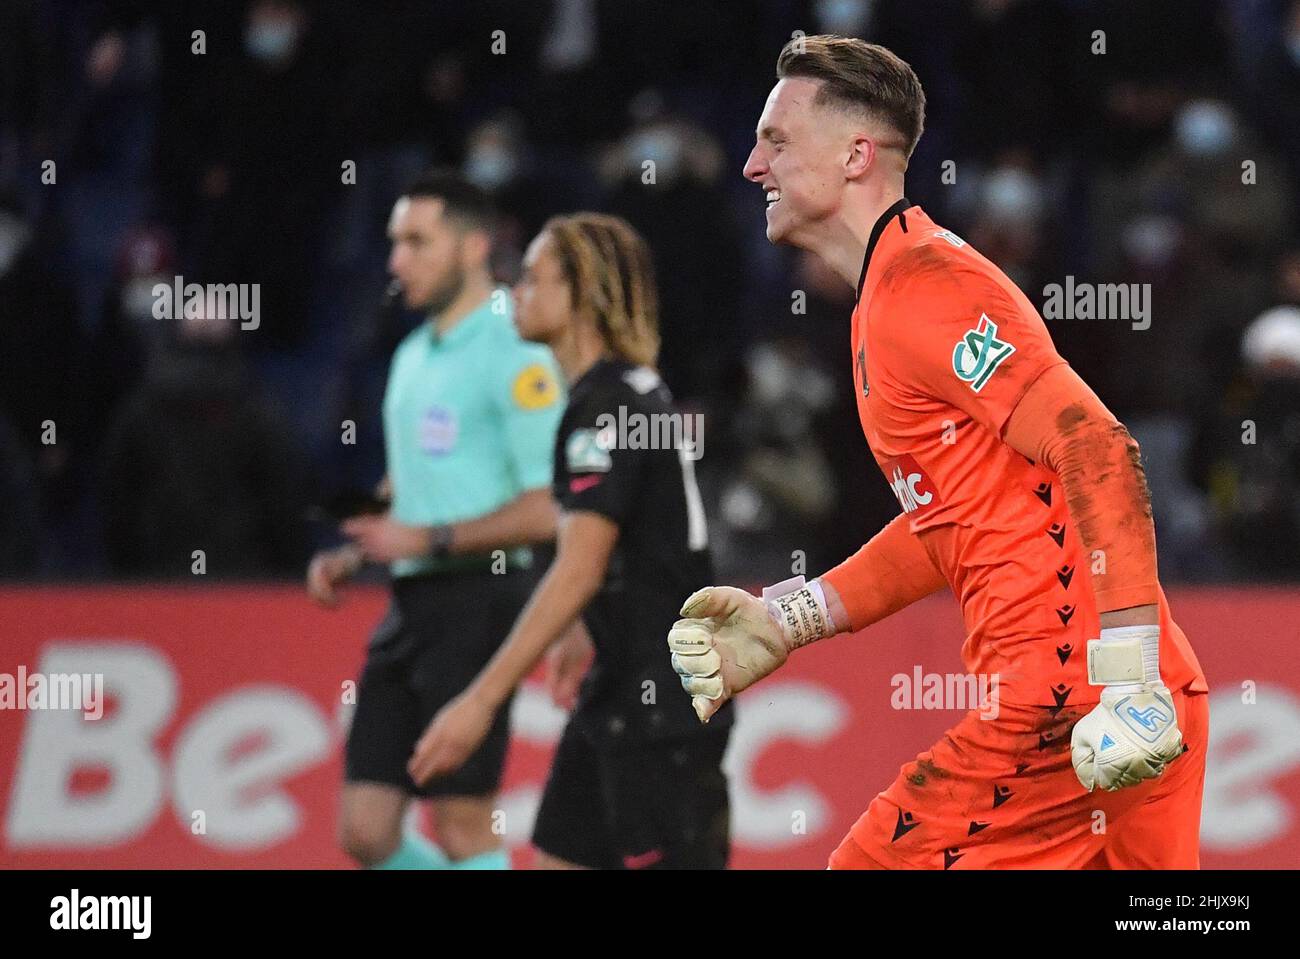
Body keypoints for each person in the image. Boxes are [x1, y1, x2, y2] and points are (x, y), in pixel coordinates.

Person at [668, 35, 1210, 869]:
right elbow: (952, 521)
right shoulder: (887, 299)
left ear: (856, 154)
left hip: (1074, 697)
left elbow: (1097, 445)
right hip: (1128, 696)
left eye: (775, 140)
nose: (751, 166)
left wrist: (1126, 678)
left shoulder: (927, 287)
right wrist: (793, 615)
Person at [407, 213, 733, 869]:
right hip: (629, 691)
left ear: (582, 293)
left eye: (532, 276)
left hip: (658, 705)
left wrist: (479, 700)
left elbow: (579, 568)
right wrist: (582, 628)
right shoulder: (632, 391)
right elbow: (637, 542)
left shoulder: (603, 408)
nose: (515, 291)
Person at [306, 170, 563, 870]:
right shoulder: (412, 354)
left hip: (483, 598)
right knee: (365, 828)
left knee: (461, 824)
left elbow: (550, 504)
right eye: (393, 242)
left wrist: (427, 537)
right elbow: (412, 475)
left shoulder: (515, 346)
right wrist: (358, 548)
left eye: (417, 242)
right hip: (412, 601)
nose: (395, 261)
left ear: (473, 246)